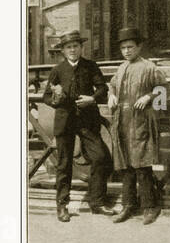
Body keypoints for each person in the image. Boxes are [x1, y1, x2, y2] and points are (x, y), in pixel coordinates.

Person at [38, 30, 114, 222]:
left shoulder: (90, 66)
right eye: (68, 47)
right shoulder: (58, 70)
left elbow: (103, 89)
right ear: (63, 51)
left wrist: (92, 98)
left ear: (81, 47)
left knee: (100, 157)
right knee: (64, 164)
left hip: (87, 121)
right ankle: (62, 205)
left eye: (76, 46)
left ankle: (96, 202)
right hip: (65, 122)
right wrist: (56, 100)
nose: (72, 50)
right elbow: (46, 96)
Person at [108, 26, 165, 225]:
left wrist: (149, 96)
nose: (127, 51)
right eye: (123, 48)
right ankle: (128, 205)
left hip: (141, 122)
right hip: (122, 122)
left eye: (130, 47)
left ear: (139, 47)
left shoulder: (150, 68)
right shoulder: (121, 68)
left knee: (142, 166)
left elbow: (163, 92)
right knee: (126, 168)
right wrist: (112, 95)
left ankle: (150, 207)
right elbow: (113, 85)